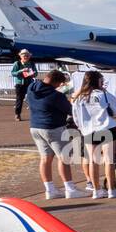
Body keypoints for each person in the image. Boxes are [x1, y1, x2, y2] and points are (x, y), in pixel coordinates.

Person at [26, 70, 89, 200]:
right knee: (64, 158)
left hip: (35, 127)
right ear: (57, 82)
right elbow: (70, 110)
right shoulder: (56, 96)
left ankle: (50, 189)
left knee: (45, 159)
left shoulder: (31, 88)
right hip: (52, 127)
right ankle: (70, 188)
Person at [71, 70, 116, 199]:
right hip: (107, 127)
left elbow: (75, 117)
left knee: (93, 161)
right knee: (109, 160)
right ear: (97, 81)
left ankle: (97, 190)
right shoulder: (103, 94)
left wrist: (82, 128)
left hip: (88, 130)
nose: (103, 82)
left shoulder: (79, 97)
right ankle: (111, 190)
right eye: (101, 80)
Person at [11, 49, 38, 121]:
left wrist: (33, 73)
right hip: (20, 84)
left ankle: (35, 115)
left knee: (33, 99)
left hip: (30, 84)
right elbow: (13, 73)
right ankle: (17, 114)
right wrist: (21, 71)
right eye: (24, 55)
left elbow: (36, 73)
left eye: (27, 55)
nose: (26, 56)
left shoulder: (32, 63)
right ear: (20, 56)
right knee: (19, 100)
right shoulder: (17, 63)